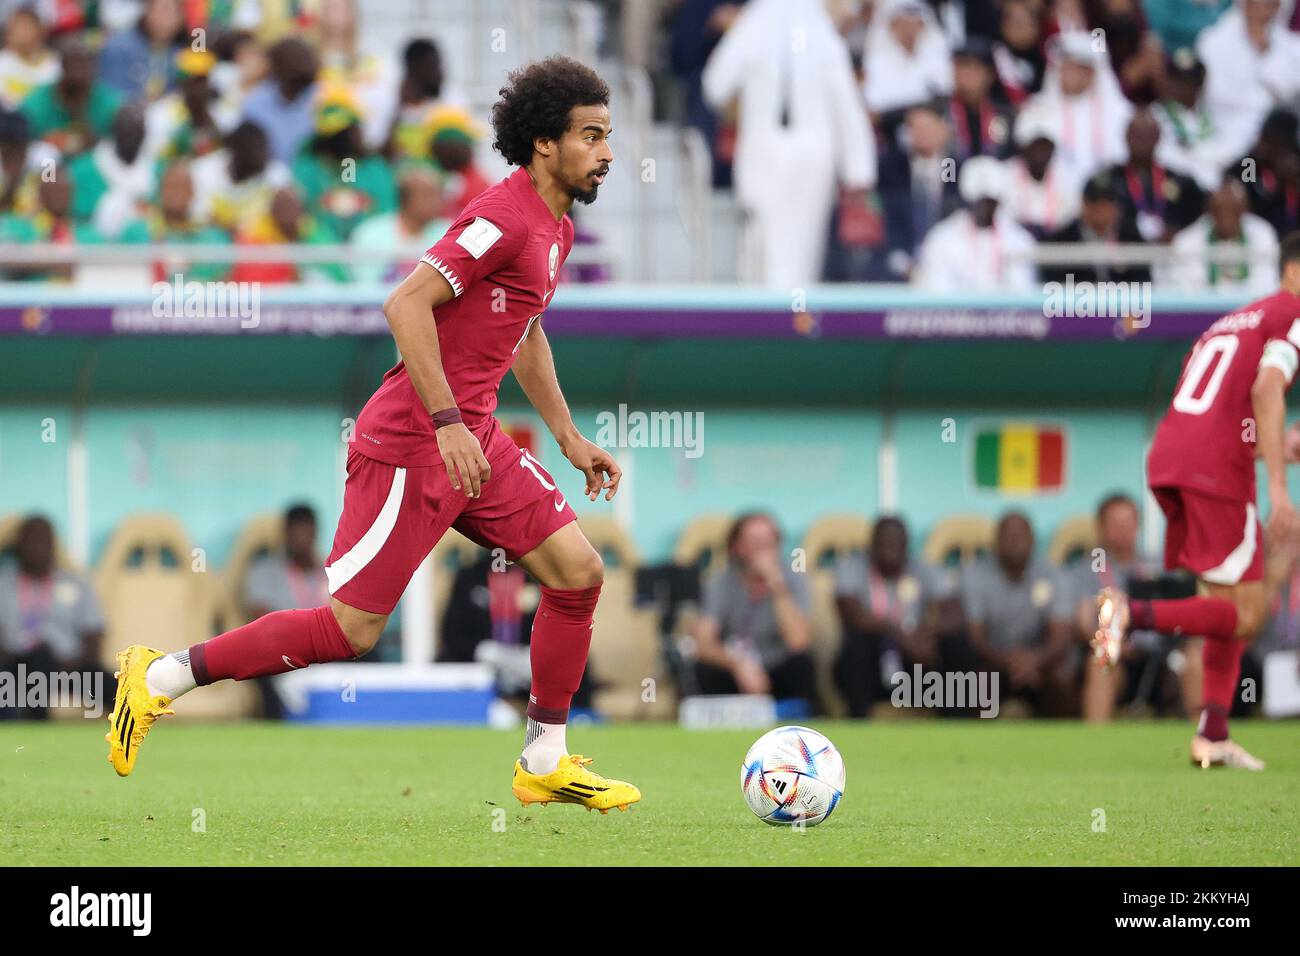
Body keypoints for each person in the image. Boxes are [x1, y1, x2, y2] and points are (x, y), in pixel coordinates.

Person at [106, 56, 642, 815]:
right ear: (545, 144)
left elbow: (523, 331)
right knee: (352, 630)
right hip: (412, 444)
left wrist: (565, 434)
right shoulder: (502, 216)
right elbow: (405, 305)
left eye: (610, 136)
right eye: (592, 136)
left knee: (578, 573)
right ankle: (159, 678)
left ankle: (544, 758)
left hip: (474, 439)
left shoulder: (554, 228)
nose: (609, 153)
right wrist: (449, 420)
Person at [1095, 231, 1300, 769]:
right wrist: (1279, 487)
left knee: (1225, 603)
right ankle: (1128, 611)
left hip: (1174, 457)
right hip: (1216, 474)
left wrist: (1273, 445)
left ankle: (1211, 733)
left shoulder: (1231, 320)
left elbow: (1221, 408)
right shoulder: (1291, 312)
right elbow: (1266, 389)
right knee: (1249, 613)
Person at [701, 0, 876, 287]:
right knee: (802, 253)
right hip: (812, 155)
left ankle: (762, 323)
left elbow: (715, 87)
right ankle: (795, 321)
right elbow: (847, 105)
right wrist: (859, 169)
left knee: (759, 249)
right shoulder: (821, 30)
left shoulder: (753, 23)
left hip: (764, 153)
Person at [833, 516, 954, 718]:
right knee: (857, 645)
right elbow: (852, 616)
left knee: (954, 645)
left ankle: (957, 724)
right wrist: (899, 635)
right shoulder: (852, 567)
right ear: (871, 544)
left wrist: (926, 634)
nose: (891, 548)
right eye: (884, 542)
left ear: (907, 544)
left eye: (897, 542)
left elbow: (953, 614)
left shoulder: (924, 569)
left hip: (914, 662)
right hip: (872, 663)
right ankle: (857, 723)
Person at [689, 512, 815, 704]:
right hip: (735, 667)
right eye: (755, 542)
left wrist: (776, 584)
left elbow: (798, 642)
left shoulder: (793, 578)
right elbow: (702, 642)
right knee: (700, 670)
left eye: (769, 542)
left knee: (802, 665)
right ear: (737, 547)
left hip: (776, 666)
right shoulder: (721, 581)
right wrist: (738, 664)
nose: (763, 550)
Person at [962, 512, 1077, 716]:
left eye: (1020, 536)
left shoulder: (1054, 574)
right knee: (973, 680)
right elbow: (976, 638)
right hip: (993, 661)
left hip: (1042, 663)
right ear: (996, 542)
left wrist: (1034, 660)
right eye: (1007, 536)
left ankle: (1061, 743)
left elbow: (1060, 636)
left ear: (1033, 541)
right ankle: (974, 745)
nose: (1014, 543)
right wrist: (1012, 662)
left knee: (1064, 676)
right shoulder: (975, 574)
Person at [0, 516, 108, 720]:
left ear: (53, 545)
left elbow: (95, 634)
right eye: (31, 540)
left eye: (44, 540)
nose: (37, 547)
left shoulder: (76, 584)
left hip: (68, 667)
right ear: (19, 545)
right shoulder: (3, 583)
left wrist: (73, 662)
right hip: (14, 666)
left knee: (117, 689)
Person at [912, 155, 1037, 291]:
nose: (984, 208)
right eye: (978, 201)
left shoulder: (1018, 239)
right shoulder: (942, 238)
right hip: (956, 311)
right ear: (967, 199)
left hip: (1005, 311)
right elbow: (935, 292)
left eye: (989, 201)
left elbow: (1023, 292)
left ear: (999, 201)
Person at [1167, 174, 1280, 295]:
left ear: (1244, 209)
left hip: (1251, 306)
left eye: (1234, 210)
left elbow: (1267, 282)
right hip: (1203, 308)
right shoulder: (1187, 241)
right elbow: (1185, 287)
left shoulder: (1263, 233)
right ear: (1208, 210)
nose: (1226, 217)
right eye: (1219, 210)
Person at [1041, 171, 1152, 286]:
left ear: (1118, 206)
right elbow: (1054, 289)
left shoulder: (1132, 239)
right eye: (1094, 200)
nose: (1101, 208)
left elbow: (1144, 287)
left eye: (1108, 200)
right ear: (1084, 203)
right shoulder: (1061, 241)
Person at [349, 165, 449, 285]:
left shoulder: (449, 234)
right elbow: (363, 284)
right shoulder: (369, 233)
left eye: (438, 195)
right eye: (428, 195)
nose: (436, 202)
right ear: (405, 198)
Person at [0, 5, 58, 111]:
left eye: (26, 27)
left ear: (40, 30)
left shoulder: (54, 62)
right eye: (15, 28)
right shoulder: (3, 62)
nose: (21, 33)